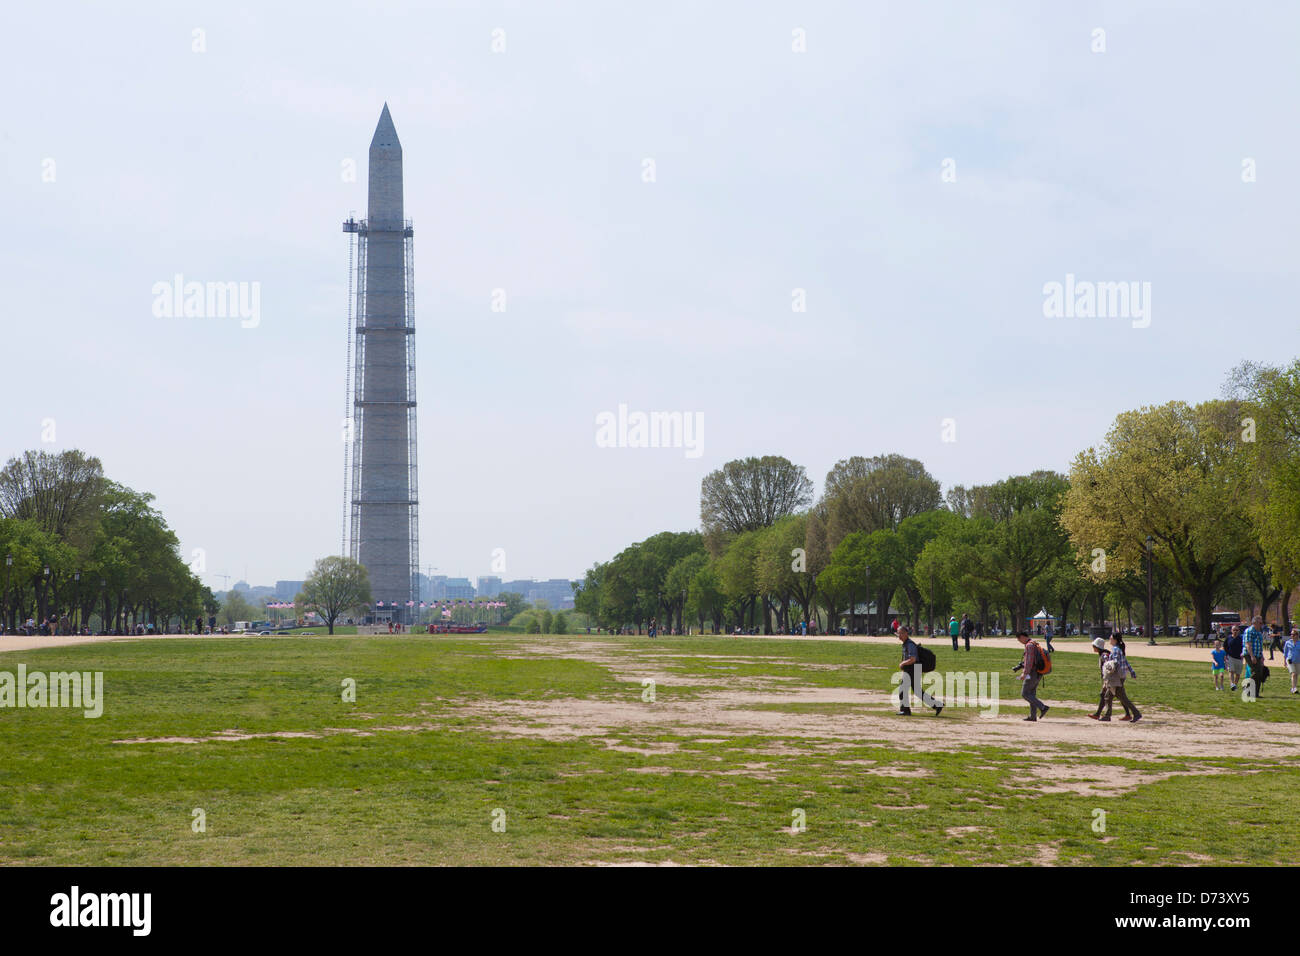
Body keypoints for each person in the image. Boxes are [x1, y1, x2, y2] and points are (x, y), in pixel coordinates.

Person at [896, 625, 943, 717]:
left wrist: (903, 664)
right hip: (913, 669)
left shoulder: (910, 644)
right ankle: (937, 705)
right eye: (898, 633)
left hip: (913, 669)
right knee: (917, 691)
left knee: (902, 690)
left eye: (901, 633)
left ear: (906, 634)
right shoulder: (906, 644)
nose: (899, 635)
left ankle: (905, 711)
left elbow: (913, 659)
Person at [1013, 632, 1050, 721]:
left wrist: (1025, 673)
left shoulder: (1029, 645)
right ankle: (1033, 716)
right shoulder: (1034, 643)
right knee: (1031, 694)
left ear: (1022, 637)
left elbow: (1029, 661)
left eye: (1019, 639)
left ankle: (1043, 707)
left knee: (1025, 693)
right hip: (1038, 673)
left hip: (1032, 673)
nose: (1019, 641)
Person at [1106, 633, 1141, 722]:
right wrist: (1132, 671)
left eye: (1111, 637)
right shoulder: (1118, 649)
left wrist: (1107, 663)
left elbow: (1116, 662)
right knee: (1108, 696)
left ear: (1115, 639)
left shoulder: (1115, 649)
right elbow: (1125, 661)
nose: (1109, 638)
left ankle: (1136, 713)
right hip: (1121, 675)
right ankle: (1107, 715)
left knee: (1121, 697)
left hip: (1117, 676)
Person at [1087, 636, 1114, 720]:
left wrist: (1106, 680)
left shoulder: (1104, 655)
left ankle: (1099, 714)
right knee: (1117, 696)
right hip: (1109, 678)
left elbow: (1108, 666)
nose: (1093, 648)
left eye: (1094, 646)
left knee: (1106, 695)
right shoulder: (1104, 653)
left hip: (1110, 678)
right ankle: (1098, 714)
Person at [1243, 615, 1267, 698]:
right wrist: (1252, 656)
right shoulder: (1249, 631)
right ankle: (1248, 691)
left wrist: (1262, 656)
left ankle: (1255, 693)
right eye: (1260, 623)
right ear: (1254, 623)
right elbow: (1248, 644)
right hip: (1249, 654)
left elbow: (1260, 646)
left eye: (1262, 623)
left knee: (1259, 673)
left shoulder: (1259, 632)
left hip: (1258, 655)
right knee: (1255, 672)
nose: (1261, 624)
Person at [1223, 624, 1245, 691]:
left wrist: (1243, 653)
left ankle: (1235, 685)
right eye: (1234, 630)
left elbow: (1244, 647)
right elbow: (1225, 647)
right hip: (1230, 657)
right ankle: (1232, 684)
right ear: (1231, 631)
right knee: (1231, 671)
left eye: (1236, 630)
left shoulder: (1241, 638)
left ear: (1238, 631)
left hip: (1239, 658)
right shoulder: (1228, 638)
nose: (1235, 631)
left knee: (1238, 673)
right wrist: (1225, 655)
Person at [1284, 628, 1300, 695]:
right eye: (1291, 634)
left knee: (1296, 674)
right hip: (1290, 660)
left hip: (1298, 660)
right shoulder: (1288, 643)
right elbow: (1285, 653)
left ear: (1297, 635)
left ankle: (1294, 687)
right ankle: (1293, 688)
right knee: (1293, 674)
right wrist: (1284, 661)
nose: (1292, 636)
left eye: (1293, 634)